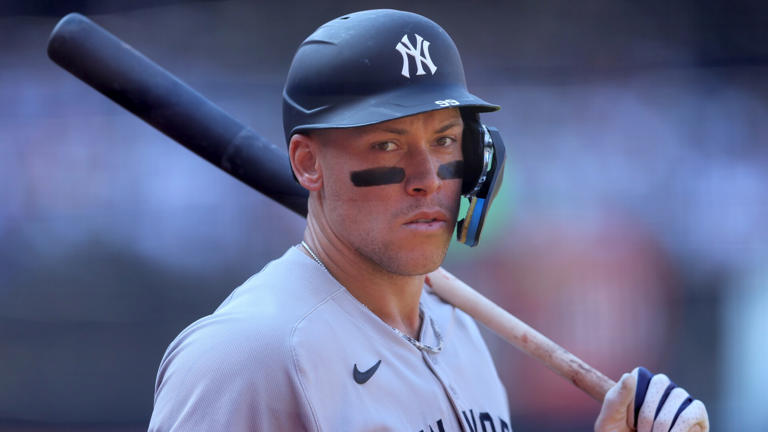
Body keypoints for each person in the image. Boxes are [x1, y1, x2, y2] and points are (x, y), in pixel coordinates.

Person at [149, 9, 708, 431]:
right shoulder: (250, 355)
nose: (428, 177)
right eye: (387, 143)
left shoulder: (460, 335)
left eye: (444, 140)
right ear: (307, 163)